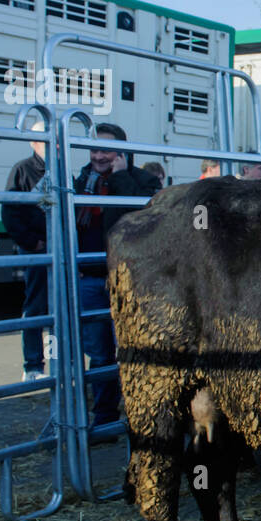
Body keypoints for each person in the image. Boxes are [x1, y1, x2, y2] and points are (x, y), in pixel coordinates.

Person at [74, 123, 162, 428]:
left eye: (105, 150)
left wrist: (122, 177)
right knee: (99, 354)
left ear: (122, 152)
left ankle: (140, 419)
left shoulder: (142, 179)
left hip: (129, 280)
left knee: (132, 352)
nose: (98, 156)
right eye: (94, 149)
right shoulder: (84, 180)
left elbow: (146, 217)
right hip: (90, 277)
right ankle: (105, 418)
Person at [1, 125, 49, 382]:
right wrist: (31, 242)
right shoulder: (22, 170)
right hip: (39, 249)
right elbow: (10, 211)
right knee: (36, 306)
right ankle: (32, 365)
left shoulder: (63, 171)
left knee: (61, 306)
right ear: (33, 142)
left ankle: (60, 361)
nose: (52, 144)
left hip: (59, 248)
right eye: (44, 139)